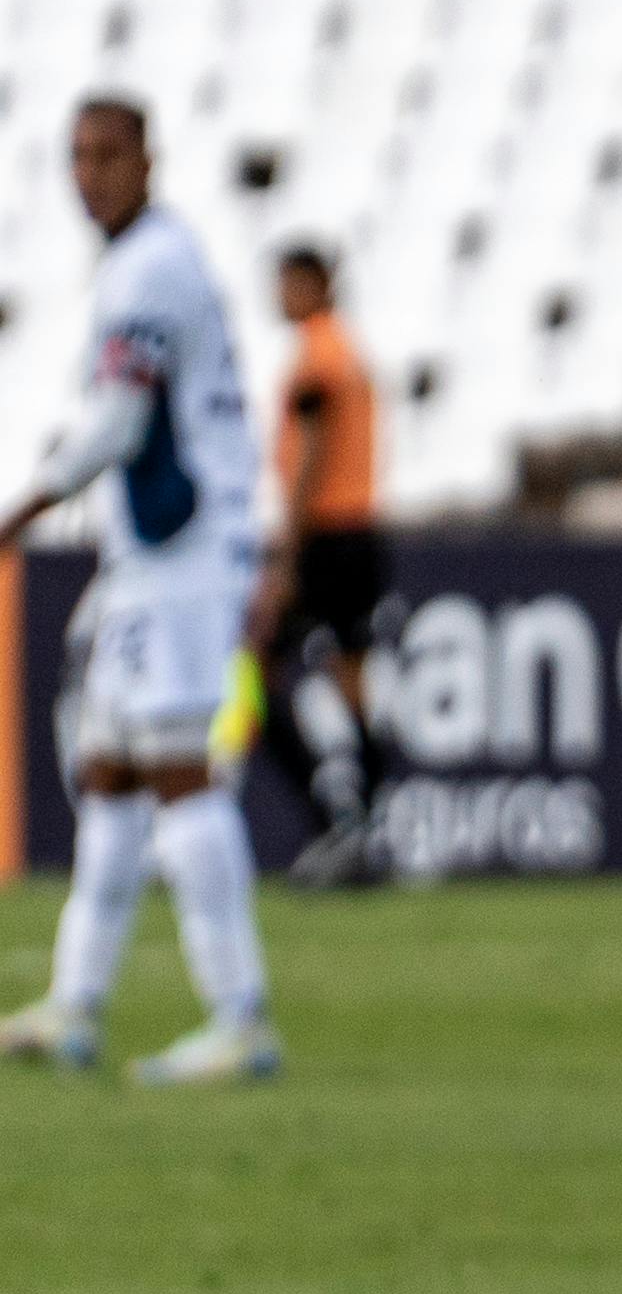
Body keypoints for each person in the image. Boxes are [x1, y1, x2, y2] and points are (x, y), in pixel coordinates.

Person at [0, 97, 283, 1083]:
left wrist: (19, 508)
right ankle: (76, 1005)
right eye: (77, 155)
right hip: (147, 559)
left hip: (185, 554)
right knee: (110, 774)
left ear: (149, 160)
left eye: (108, 154)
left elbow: (120, 425)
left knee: (174, 773)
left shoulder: (151, 269)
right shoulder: (138, 263)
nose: (91, 174)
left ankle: (241, 1015)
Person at [246, 241, 397, 889]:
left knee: (262, 669)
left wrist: (285, 555)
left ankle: (333, 822)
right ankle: (363, 831)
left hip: (327, 537)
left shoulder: (316, 355)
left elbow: (307, 455)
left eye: (286, 284)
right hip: (360, 532)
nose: (278, 296)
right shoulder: (349, 351)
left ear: (313, 285)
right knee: (354, 687)